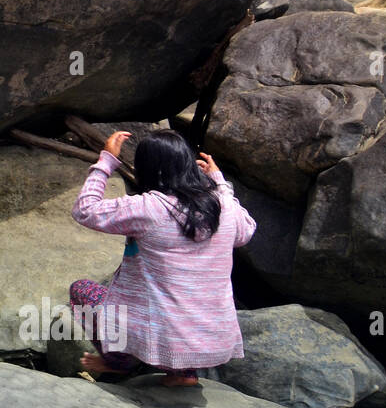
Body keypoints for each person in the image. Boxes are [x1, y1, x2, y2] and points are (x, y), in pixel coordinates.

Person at [70, 129, 257, 388]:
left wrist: (106, 161)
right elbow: (246, 231)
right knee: (175, 297)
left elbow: (85, 210)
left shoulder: (150, 208)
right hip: (212, 340)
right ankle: (184, 373)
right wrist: (219, 182)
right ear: (189, 165)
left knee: (81, 292)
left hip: (167, 339)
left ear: (147, 169)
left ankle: (119, 363)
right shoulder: (223, 205)